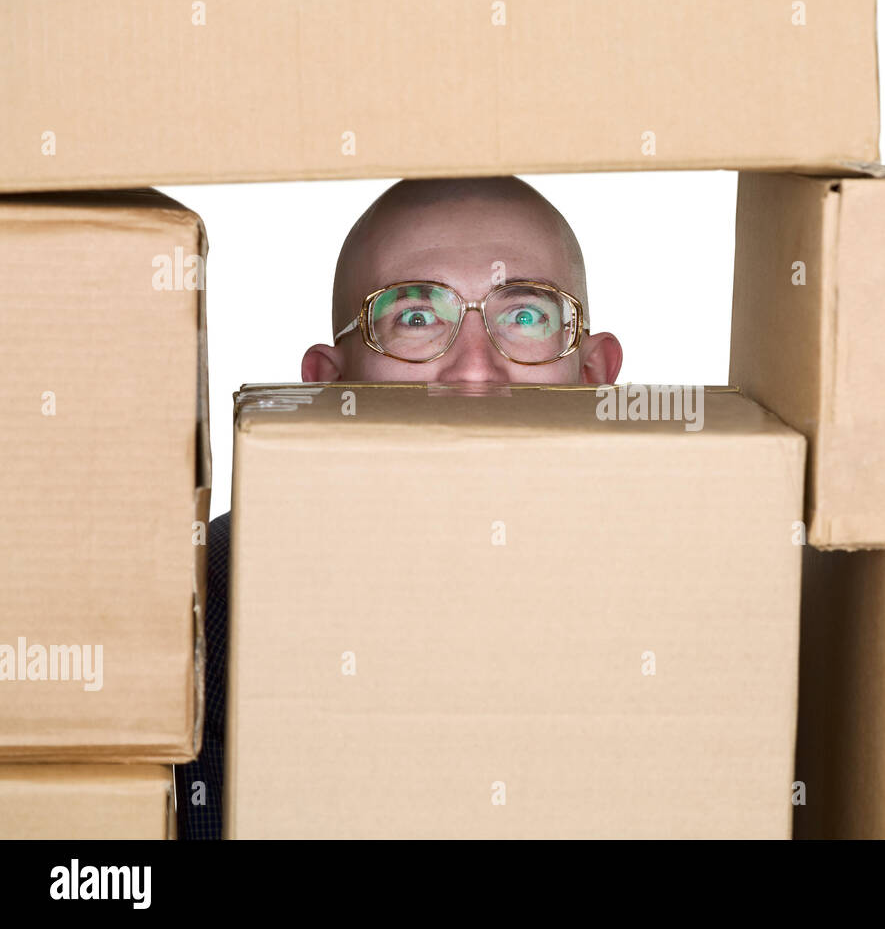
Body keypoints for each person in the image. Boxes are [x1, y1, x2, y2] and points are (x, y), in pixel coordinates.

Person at [176, 177, 623, 838]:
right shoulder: (217, 595)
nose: (476, 370)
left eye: (525, 315)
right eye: (416, 318)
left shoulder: (678, 590)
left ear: (592, 374)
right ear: (329, 385)